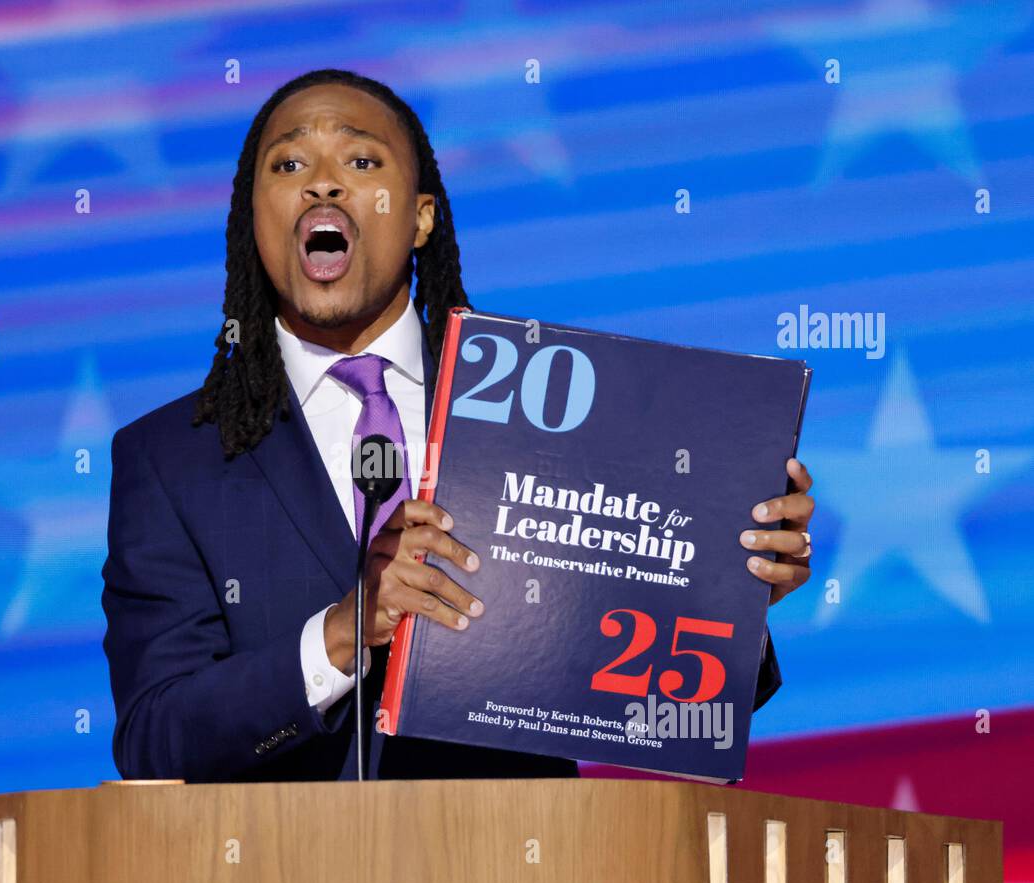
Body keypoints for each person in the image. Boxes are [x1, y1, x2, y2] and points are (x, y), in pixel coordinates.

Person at [101, 68, 817, 782]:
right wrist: (344, 633)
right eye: (289, 165)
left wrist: (728, 592)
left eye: (360, 160)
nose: (322, 183)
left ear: (420, 218)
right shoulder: (169, 462)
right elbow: (157, 737)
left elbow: (676, 700)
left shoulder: (548, 413)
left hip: (520, 875)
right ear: (252, 220)